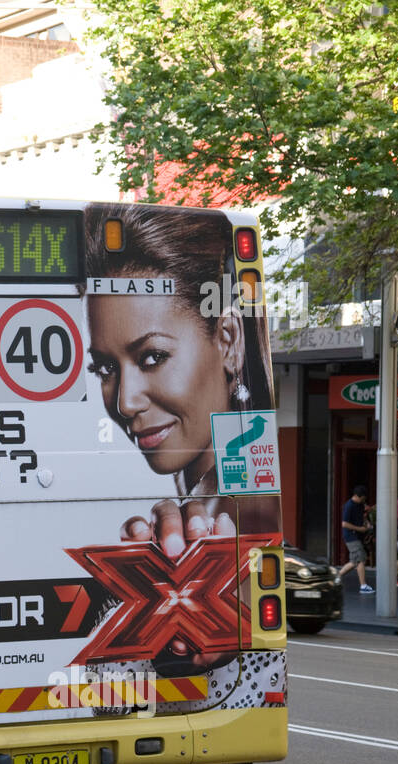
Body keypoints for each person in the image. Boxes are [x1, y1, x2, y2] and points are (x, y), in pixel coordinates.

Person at [83, 203, 278, 675]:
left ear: (228, 341)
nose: (125, 402)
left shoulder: (241, 518)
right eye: (107, 368)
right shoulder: (232, 491)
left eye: (151, 357)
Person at [338, 485, 372, 593]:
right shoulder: (349, 506)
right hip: (351, 536)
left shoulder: (360, 504)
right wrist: (360, 529)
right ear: (357, 496)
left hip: (358, 535)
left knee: (354, 561)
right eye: (363, 498)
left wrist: (366, 523)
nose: (364, 500)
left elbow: (363, 515)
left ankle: (335, 577)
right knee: (361, 558)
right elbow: (344, 524)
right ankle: (363, 585)